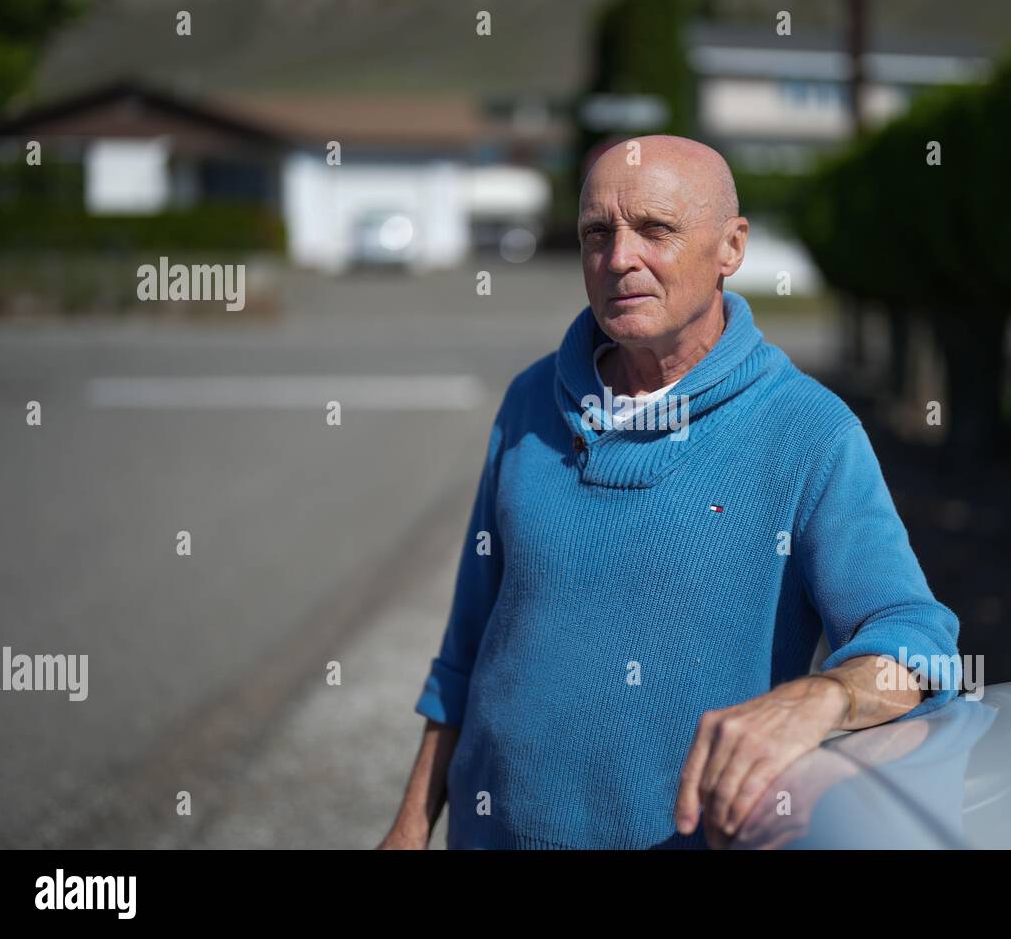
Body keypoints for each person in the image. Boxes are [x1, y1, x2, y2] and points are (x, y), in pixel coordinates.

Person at [379, 134, 961, 850]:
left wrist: (826, 695)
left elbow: (919, 644)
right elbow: (467, 644)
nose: (619, 258)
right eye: (599, 233)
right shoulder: (531, 399)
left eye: (655, 229)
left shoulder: (810, 432)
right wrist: (410, 826)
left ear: (731, 248)